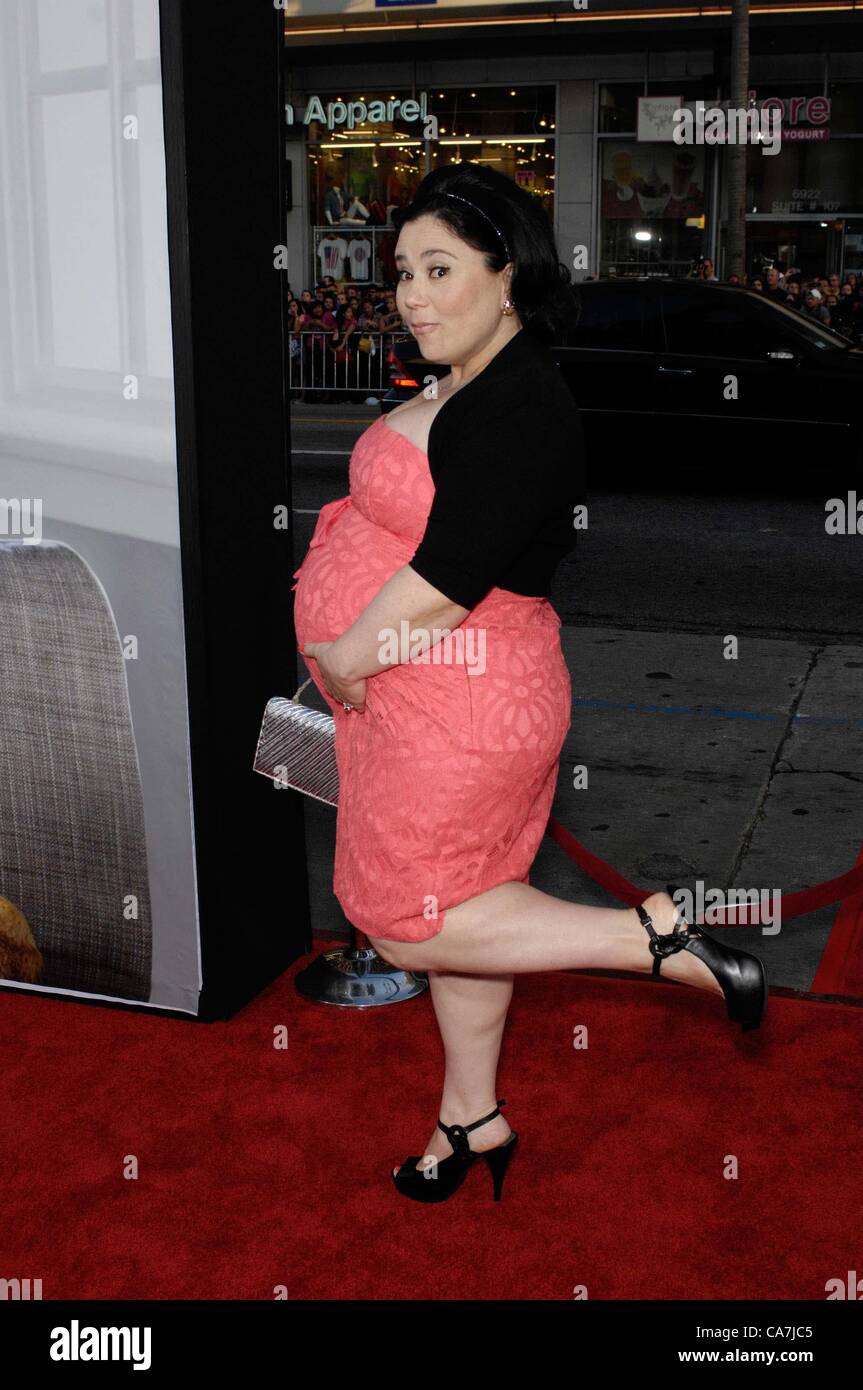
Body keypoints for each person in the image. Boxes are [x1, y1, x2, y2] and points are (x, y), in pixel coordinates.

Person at [291, 162, 768, 1205]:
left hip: (457, 699)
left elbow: (443, 585)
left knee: (406, 921)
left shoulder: (520, 403)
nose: (410, 295)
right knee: (470, 912)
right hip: (422, 701)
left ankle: (654, 939)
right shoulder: (476, 377)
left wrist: (340, 657)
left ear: (506, 275)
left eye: (437, 269)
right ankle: (470, 1117)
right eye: (401, 272)